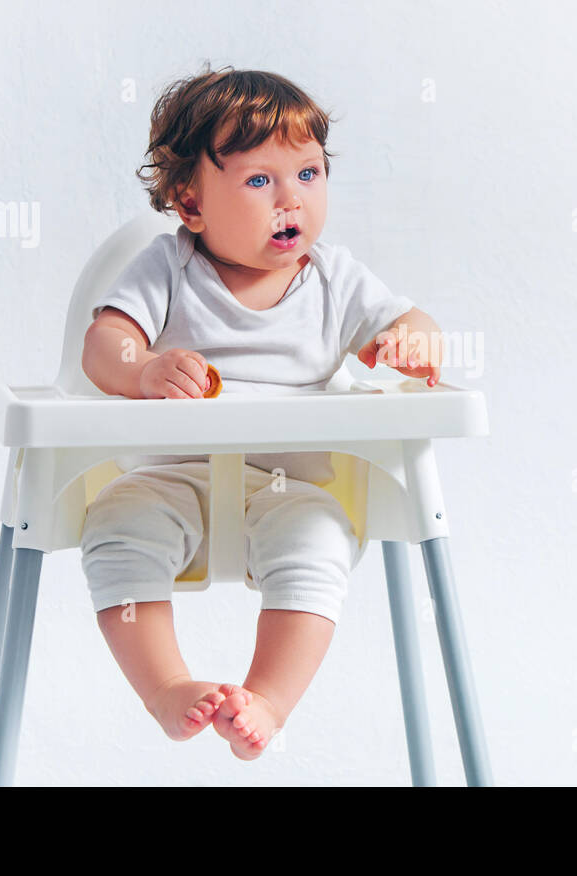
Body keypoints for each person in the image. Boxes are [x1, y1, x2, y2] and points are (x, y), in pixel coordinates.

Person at [80, 66, 442, 760]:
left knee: (321, 540)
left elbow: (412, 319)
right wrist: (140, 368)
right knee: (116, 525)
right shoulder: (169, 268)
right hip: (171, 479)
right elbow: (106, 340)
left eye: (308, 174)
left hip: (291, 488)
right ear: (190, 205)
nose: (290, 201)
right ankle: (166, 688)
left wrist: (412, 341)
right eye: (258, 181)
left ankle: (269, 698)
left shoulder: (336, 282)